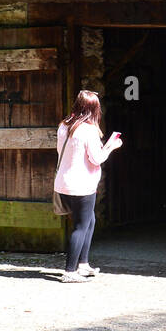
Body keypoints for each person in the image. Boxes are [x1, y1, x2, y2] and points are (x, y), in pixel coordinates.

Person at [54, 90, 122, 283]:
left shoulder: (64, 126)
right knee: (80, 226)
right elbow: (97, 158)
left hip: (64, 182)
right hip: (81, 185)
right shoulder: (89, 130)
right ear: (94, 109)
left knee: (89, 220)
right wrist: (111, 146)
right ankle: (70, 271)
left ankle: (83, 264)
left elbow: (62, 151)